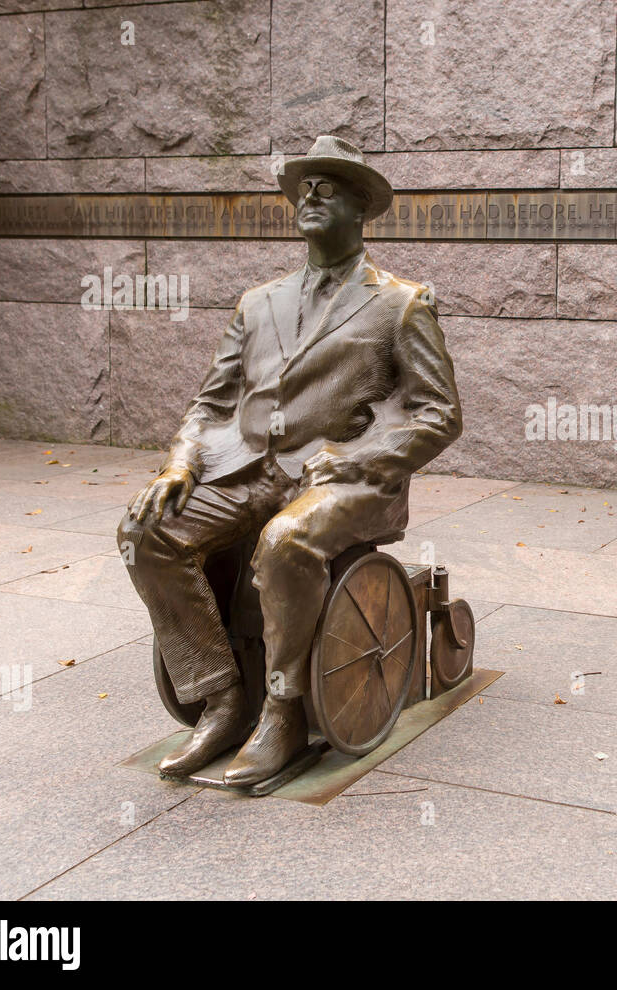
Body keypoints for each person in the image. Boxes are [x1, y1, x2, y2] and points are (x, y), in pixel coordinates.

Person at [119, 135, 461, 786]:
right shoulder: (258, 303)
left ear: (361, 209)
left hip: (345, 476)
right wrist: (181, 463)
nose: (309, 194)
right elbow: (210, 403)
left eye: (327, 186)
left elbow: (439, 413)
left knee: (284, 541)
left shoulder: (402, 303)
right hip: (245, 468)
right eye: (303, 185)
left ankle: (281, 710)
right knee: (145, 532)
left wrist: (360, 457)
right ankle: (221, 699)